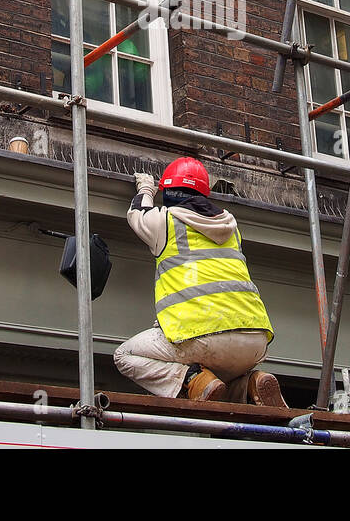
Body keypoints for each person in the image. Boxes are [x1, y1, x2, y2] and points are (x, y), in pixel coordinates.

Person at [113, 156, 287, 407]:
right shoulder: (231, 228)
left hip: (199, 335)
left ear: (170, 192)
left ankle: (191, 379)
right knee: (219, 376)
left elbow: (138, 213)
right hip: (254, 341)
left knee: (125, 355)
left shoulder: (166, 221)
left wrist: (146, 189)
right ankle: (250, 386)